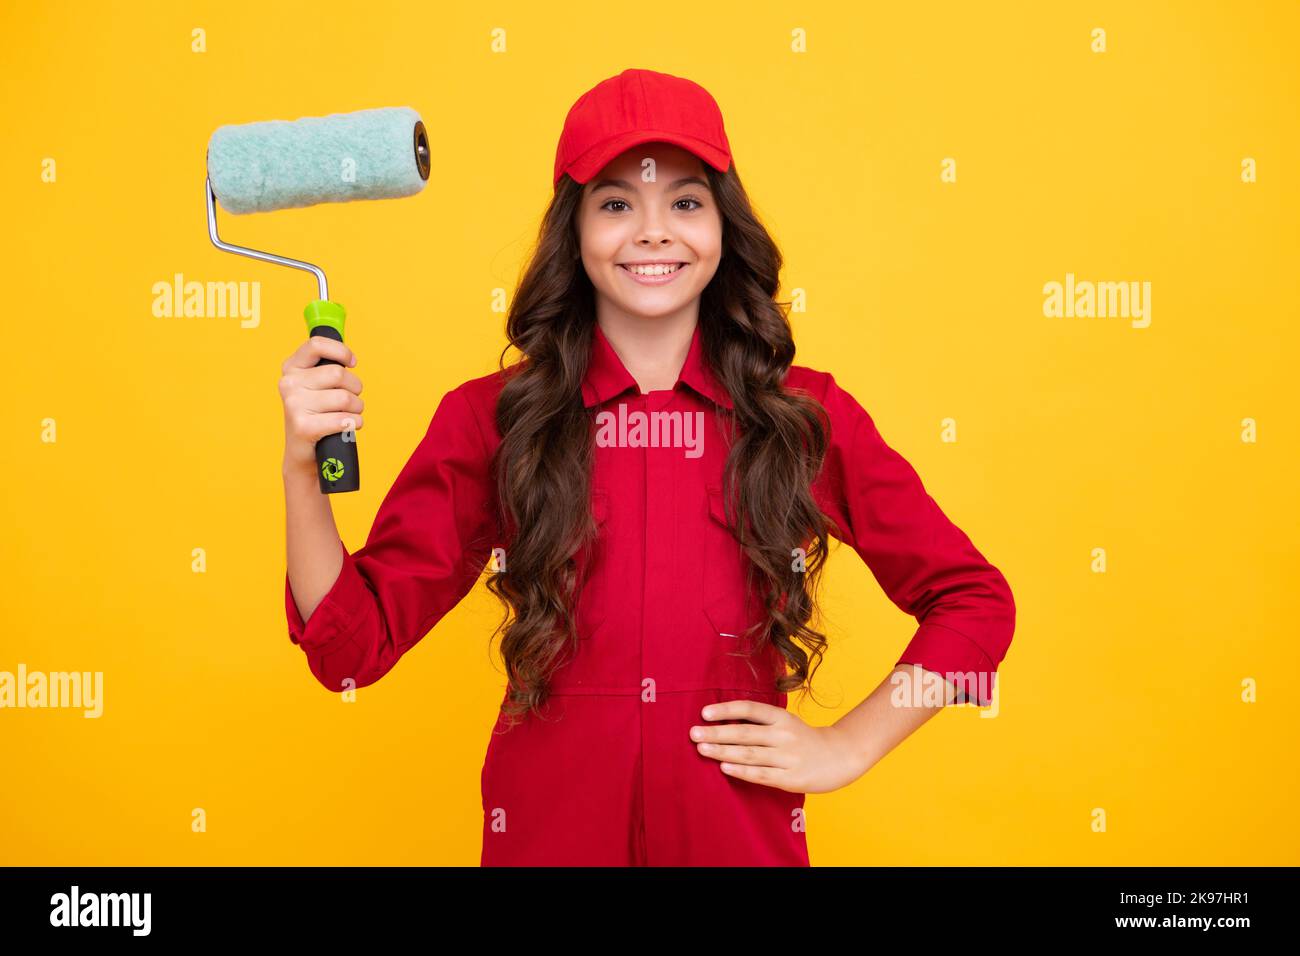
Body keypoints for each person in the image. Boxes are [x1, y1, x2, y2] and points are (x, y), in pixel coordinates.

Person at [279, 68, 1016, 866]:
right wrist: (299, 469)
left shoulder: (806, 417)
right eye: (618, 203)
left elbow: (976, 605)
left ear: (723, 226)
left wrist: (849, 745)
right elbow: (348, 650)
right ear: (577, 231)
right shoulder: (492, 421)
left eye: (686, 202)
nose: (654, 231)